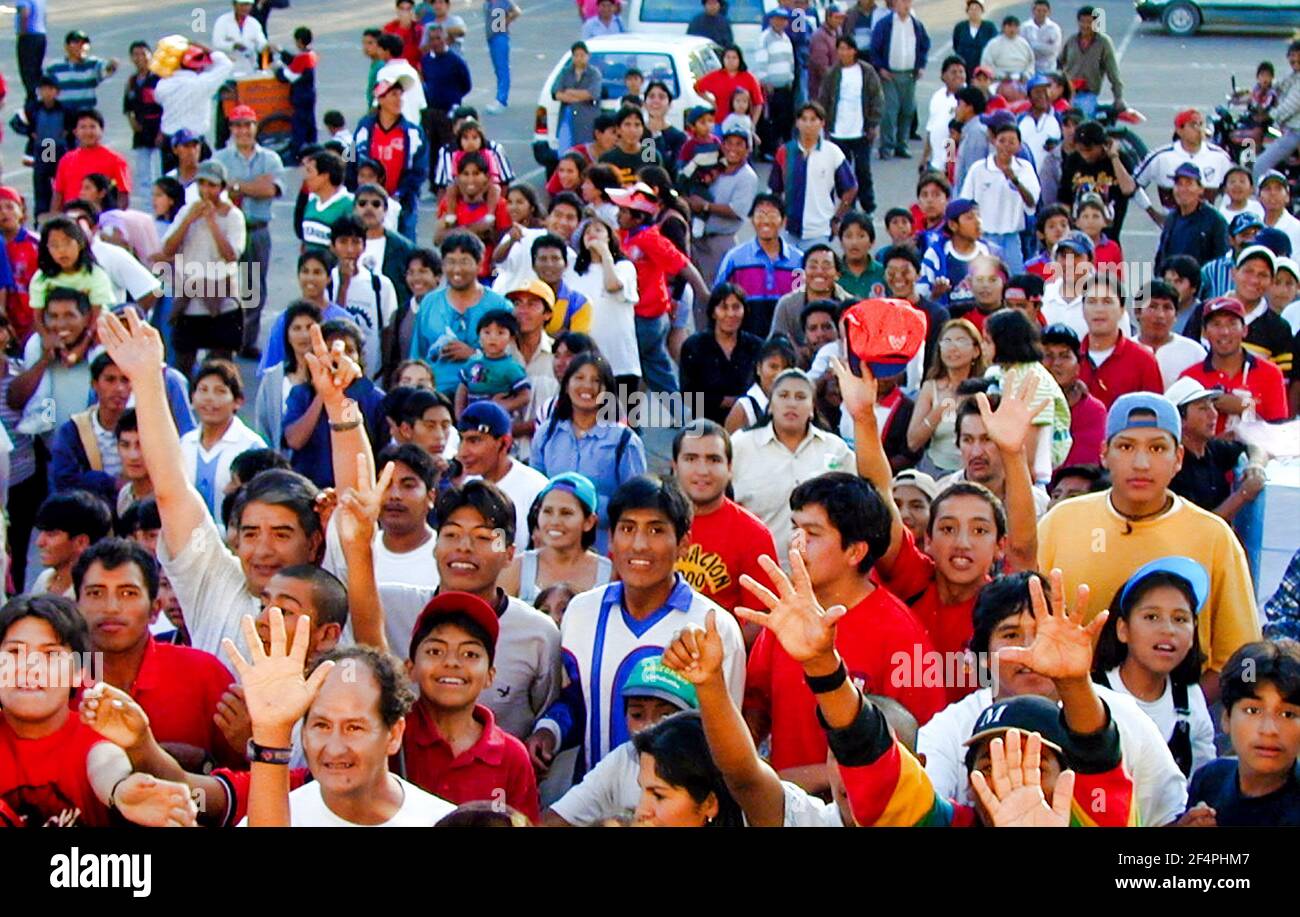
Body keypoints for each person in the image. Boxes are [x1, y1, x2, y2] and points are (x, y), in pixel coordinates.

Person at [1038, 392, 1261, 705]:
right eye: (1126, 447)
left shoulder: (1213, 537)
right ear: (1104, 453)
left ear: (1179, 458)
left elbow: (1240, 658)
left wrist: (1175, 710)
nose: (1141, 463)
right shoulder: (1061, 522)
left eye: (1157, 448)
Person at [527, 476, 746, 778]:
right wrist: (549, 732)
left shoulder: (715, 626)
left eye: (656, 530)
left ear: (684, 543)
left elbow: (724, 736)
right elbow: (579, 701)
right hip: (593, 809)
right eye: (628, 529)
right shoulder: (581, 612)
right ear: (612, 540)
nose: (640, 544)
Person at [229, 617, 455, 826]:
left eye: (354, 728)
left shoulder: (442, 822)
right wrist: (271, 730)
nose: (335, 748)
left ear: (394, 734)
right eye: (322, 726)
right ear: (304, 734)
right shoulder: (272, 817)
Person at [0, 594, 198, 828]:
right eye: (14, 652)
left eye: (51, 655)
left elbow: (107, 765)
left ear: (78, 672)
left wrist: (121, 790)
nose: (30, 668)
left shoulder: (97, 732)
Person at [72, 537, 242, 770]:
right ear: (75, 606)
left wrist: (203, 764)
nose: (111, 607)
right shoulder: (56, 682)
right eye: (95, 593)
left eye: (128, 593)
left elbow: (246, 776)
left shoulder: (202, 673)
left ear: (154, 610)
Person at [395, 591, 540, 821]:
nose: (452, 662)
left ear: (490, 676)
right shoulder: (392, 737)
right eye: (435, 651)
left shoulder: (511, 757)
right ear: (410, 668)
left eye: (470, 654)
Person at [542, 656, 701, 824]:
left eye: (665, 716)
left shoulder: (712, 763)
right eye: (637, 715)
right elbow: (558, 818)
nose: (650, 726)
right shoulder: (623, 758)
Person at [730, 368, 854, 560]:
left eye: (800, 397)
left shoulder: (835, 449)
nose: (791, 403)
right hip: (755, 569)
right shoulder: (740, 446)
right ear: (770, 405)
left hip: (821, 571)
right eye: (784, 395)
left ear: (812, 408)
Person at [531, 353, 646, 553]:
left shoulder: (624, 441)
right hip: (551, 547)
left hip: (604, 550)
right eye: (579, 378)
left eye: (596, 381)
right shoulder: (546, 434)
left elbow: (636, 503)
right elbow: (536, 491)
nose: (587, 387)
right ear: (566, 385)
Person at [1182, 640, 1300, 827]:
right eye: (1252, 711)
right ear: (1226, 718)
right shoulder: (1210, 780)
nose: (1268, 730)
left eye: (1288, 714)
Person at [611, 184, 708, 397]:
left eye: (624, 211)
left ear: (638, 218)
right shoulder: (627, 235)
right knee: (656, 374)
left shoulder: (650, 239)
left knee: (635, 374)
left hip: (647, 318)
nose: (618, 214)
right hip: (642, 317)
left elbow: (683, 265)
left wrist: (706, 297)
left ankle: (634, 423)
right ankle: (685, 419)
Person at [156, 160, 247, 378]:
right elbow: (168, 248)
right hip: (191, 297)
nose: (206, 191)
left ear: (222, 188)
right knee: (183, 361)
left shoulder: (233, 216)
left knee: (222, 363)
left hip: (221, 296)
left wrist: (212, 221)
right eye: (202, 184)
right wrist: (188, 220)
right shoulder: (188, 211)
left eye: (212, 186)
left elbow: (231, 255)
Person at [211, 105, 284, 360]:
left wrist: (237, 185)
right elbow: (215, 193)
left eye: (247, 125)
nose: (243, 131)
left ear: (255, 127)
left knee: (253, 287)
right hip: (227, 230)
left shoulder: (270, 159)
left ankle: (247, 339)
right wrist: (253, 185)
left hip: (256, 228)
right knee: (222, 285)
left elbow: (270, 190)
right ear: (230, 129)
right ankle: (221, 340)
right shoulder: (219, 159)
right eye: (237, 125)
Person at [410, 232, 511, 395]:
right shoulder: (429, 303)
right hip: (435, 397)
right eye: (450, 262)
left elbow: (511, 359)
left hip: (484, 395)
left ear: (480, 264)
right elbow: (417, 355)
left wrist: (474, 355)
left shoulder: (499, 306)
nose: (457, 269)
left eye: (464, 262)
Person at [1179, 295, 1289, 436]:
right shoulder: (1190, 378)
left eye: (1232, 324)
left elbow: (1278, 429)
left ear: (1244, 330)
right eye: (1216, 324)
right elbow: (1183, 434)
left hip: (1258, 455)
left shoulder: (1270, 373)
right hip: (1208, 456)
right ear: (1205, 332)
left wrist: (1245, 405)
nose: (1224, 332)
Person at [498, 472, 611, 603]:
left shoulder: (608, 574)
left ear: (589, 522)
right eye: (547, 511)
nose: (555, 521)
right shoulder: (517, 569)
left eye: (566, 513)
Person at [454, 401, 546, 552]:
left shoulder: (536, 488)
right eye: (461, 440)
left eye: (474, 440)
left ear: (504, 443)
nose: (462, 452)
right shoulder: (465, 485)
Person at [181, 358, 268, 516]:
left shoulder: (252, 447)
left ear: (237, 401)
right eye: (203, 390)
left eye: (220, 391)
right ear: (192, 398)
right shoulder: (184, 443)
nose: (209, 398)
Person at [568, 217, 640, 396]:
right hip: (587, 361)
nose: (592, 234)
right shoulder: (573, 271)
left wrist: (605, 255)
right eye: (587, 231)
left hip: (621, 361)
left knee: (625, 420)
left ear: (610, 237)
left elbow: (613, 285)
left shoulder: (624, 267)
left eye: (598, 230)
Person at [713, 194, 803, 337]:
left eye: (773, 215)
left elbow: (801, 302)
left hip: (787, 341)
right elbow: (718, 297)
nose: (766, 221)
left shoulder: (798, 260)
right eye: (760, 215)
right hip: (745, 338)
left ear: (783, 221)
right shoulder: (735, 259)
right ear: (752, 221)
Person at [352, 75, 427, 243]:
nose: (399, 99)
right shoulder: (364, 128)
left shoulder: (413, 133)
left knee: (404, 245)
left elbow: (420, 169)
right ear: (380, 98)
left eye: (400, 94)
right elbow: (349, 156)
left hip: (401, 201)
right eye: (393, 94)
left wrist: (400, 193)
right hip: (367, 201)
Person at [907, 317, 984, 476]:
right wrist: (938, 411)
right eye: (947, 341)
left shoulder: (985, 389)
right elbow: (913, 442)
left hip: (975, 473)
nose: (953, 348)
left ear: (976, 351)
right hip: (935, 471)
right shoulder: (930, 388)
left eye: (961, 341)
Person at [959, 122, 1039, 275]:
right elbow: (966, 202)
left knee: (1015, 278)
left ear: (1019, 146)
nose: (1006, 146)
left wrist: (1015, 180)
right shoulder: (979, 169)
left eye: (1011, 142)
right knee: (982, 278)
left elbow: (1031, 202)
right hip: (983, 235)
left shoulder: (1025, 168)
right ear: (994, 141)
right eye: (1002, 141)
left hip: (1011, 237)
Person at [49, 352, 130, 502]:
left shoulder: (141, 425)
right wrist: (111, 484)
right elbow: (64, 479)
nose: (119, 388)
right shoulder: (74, 430)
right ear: (94, 384)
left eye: (125, 380)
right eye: (110, 380)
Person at [1077, 273, 1163, 410]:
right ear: (1083, 309)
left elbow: (1154, 414)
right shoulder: (1070, 358)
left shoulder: (1144, 361)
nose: (1099, 309)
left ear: (1122, 310)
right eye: (1092, 302)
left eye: (1107, 302)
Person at [679, 286, 763, 426]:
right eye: (724, 308)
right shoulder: (694, 346)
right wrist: (725, 401)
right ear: (713, 313)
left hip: (748, 424)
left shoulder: (756, 346)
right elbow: (687, 395)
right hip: (705, 424)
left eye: (736, 307)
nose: (730, 314)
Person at [253, 302, 321, 450]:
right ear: (287, 336)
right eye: (296, 328)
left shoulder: (328, 376)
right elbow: (262, 426)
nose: (304, 335)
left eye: (309, 327)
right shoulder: (273, 378)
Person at [869, 0, 930, 160]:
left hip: (909, 75)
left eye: (908, 1)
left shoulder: (916, 25)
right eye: (902, 1)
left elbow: (924, 45)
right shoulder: (885, 24)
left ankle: (901, 145)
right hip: (889, 75)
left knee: (907, 110)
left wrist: (921, 66)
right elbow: (874, 48)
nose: (906, 5)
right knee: (889, 111)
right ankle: (886, 147)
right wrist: (880, 68)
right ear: (895, 4)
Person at [1041, 323, 1107, 468]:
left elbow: (1086, 461)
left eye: (1064, 356)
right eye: (1048, 355)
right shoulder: (1025, 404)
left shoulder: (1093, 410)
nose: (1056, 363)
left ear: (1078, 366)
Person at [31, 490, 113, 597]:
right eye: (41, 532)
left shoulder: (94, 596)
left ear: (81, 542)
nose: (39, 542)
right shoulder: (44, 579)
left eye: (51, 534)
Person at [48, 110, 130, 215]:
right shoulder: (66, 160)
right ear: (75, 132)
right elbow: (58, 194)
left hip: (102, 219)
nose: (88, 132)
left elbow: (123, 195)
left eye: (92, 127)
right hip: (72, 220)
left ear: (101, 130)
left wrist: (114, 219)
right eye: (83, 127)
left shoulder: (116, 160)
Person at [1154, 164, 1230, 267]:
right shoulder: (1171, 219)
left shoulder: (1215, 221)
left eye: (1189, 183)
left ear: (1201, 189)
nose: (1183, 189)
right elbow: (1161, 258)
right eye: (1178, 184)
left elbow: (1221, 260)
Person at [1137, 280, 1207, 389]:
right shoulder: (1124, 351)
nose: (1160, 315)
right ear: (1137, 312)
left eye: (1167, 308)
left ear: (1176, 315)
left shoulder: (1195, 353)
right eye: (1152, 306)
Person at [1057, 6, 1122, 117]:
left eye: (1089, 22)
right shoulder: (1071, 41)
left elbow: (1113, 72)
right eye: (1082, 22)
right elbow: (1059, 63)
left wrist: (1118, 97)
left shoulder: (1103, 43)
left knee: (1083, 118)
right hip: (1068, 92)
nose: (1085, 26)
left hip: (1088, 93)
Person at [695, 45, 765, 126]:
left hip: (742, 124)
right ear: (723, 59)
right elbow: (697, 87)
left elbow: (758, 104)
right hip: (720, 122)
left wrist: (753, 124)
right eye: (728, 57)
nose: (731, 61)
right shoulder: (715, 76)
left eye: (734, 58)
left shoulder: (749, 78)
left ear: (740, 60)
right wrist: (711, 102)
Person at [552, 42, 602, 153]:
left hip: (587, 117)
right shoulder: (565, 72)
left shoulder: (594, 73)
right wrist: (578, 97)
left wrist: (569, 91)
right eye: (576, 55)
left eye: (582, 55)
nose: (579, 58)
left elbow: (592, 94)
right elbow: (556, 93)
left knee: (584, 150)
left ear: (588, 56)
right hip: (567, 114)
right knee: (565, 150)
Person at [300, 150, 354, 252]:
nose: (305, 177)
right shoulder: (312, 202)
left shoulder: (349, 205)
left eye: (309, 171)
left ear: (325, 176)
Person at [482, 0, 522, 115]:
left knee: (502, 68)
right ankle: (499, 96)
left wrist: (506, 21)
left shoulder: (502, 1)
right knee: (498, 69)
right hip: (491, 37)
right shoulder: (487, 3)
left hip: (499, 36)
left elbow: (516, 11)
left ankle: (501, 99)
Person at [213, 0, 268, 76]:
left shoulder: (254, 23)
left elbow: (261, 44)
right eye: (242, 5)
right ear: (234, 5)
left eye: (248, 5)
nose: (245, 8)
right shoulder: (222, 21)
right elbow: (217, 43)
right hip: (228, 69)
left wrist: (267, 46)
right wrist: (233, 45)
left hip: (249, 68)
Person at [952, 0, 996, 74]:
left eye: (977, 9)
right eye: (971, 9)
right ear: (967, 11)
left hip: (983, 69)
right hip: (963, 68)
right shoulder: (960, 27)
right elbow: (956, 44)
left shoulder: (989, 27)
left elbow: (994, 46)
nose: (974, 11)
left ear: (982, 11)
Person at [1021, 0, 1062, 75]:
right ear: (1033, 11)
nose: (1041, 13)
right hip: (1029, 69)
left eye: (1044, 11)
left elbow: (1053, 50)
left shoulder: (1054, 28)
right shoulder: (1025, 27)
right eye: (1038, 11)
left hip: (1049, 68)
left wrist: (1033, 45)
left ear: (1049, 12)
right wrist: (1043, 47)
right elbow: (1023, 49)